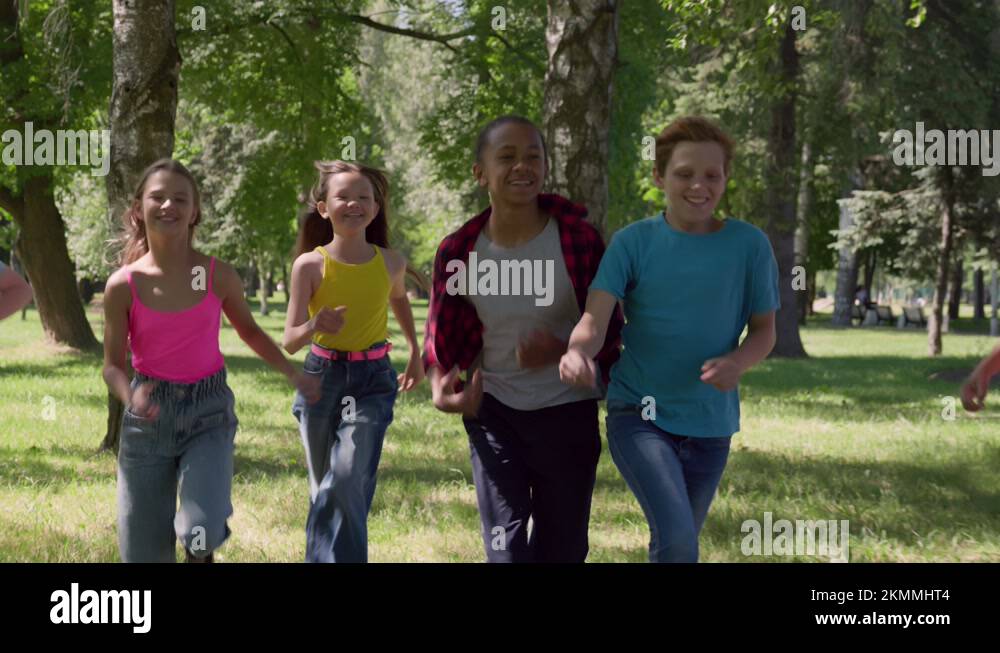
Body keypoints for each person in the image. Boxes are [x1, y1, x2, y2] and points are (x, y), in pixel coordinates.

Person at [560, 116, 779, 562]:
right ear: (660, 176)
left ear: (725, 179)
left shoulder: (749, 245)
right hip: (639, 413)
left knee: (675, 545)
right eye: (684, 174)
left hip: (711, 424)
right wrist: (578, 350)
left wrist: (738, 362)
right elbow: (595, 317)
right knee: (679, 540)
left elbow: (764, 332)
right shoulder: (633, 242)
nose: (698, 185)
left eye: (711, 175)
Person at [422, 115, 623, 562]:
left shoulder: (579, 240)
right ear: (480, 173)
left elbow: (612, 328)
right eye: (507, 157)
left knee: (563, 549)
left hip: (567, 413)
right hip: (495, 413)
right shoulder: (459, 251)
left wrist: (561, 349)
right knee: (504, 549)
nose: (522, 166)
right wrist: (441, 390)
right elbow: (442, 333)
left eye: (533, 156)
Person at [102, 159, 320, 563]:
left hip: (208, 412)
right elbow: (113, 365)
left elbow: (250, 332)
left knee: (200, 530)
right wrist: (129, 397)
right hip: (147, 422)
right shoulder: (123, 286)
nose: (169, 205)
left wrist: (293, 373)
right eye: (158, 197)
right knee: (143, 555)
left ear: (195, 211)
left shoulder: (216, 276)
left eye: (180, 198)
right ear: (138, 209)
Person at [283, 160, 423, 563]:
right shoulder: (309, 265)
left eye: (364, 197)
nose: (354, 203)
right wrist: (315, 323)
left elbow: (398, 299)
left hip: (372, 382)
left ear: (376, 209)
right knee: (325, 488)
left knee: (344, 479)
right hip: (320, 380)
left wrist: (414, 352)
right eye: (343, 196)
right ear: (324, 207)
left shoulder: (390, 262)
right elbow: (291, 341)